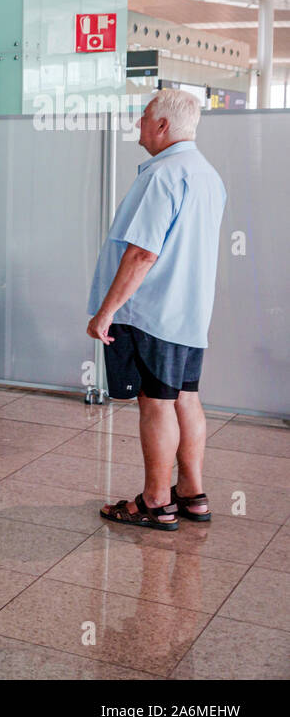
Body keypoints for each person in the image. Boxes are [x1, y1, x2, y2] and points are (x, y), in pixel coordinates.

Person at [87, 89, 226, 531]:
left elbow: (142, 254)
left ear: (163, 125)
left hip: (153, 313)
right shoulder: (207, 174)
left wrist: (106, 311)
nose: (139, 125)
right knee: (186, 397)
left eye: (145, 117)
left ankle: (155, 501)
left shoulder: (163, 175)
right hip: (189, 313)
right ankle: (192, 494)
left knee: (156, 403)